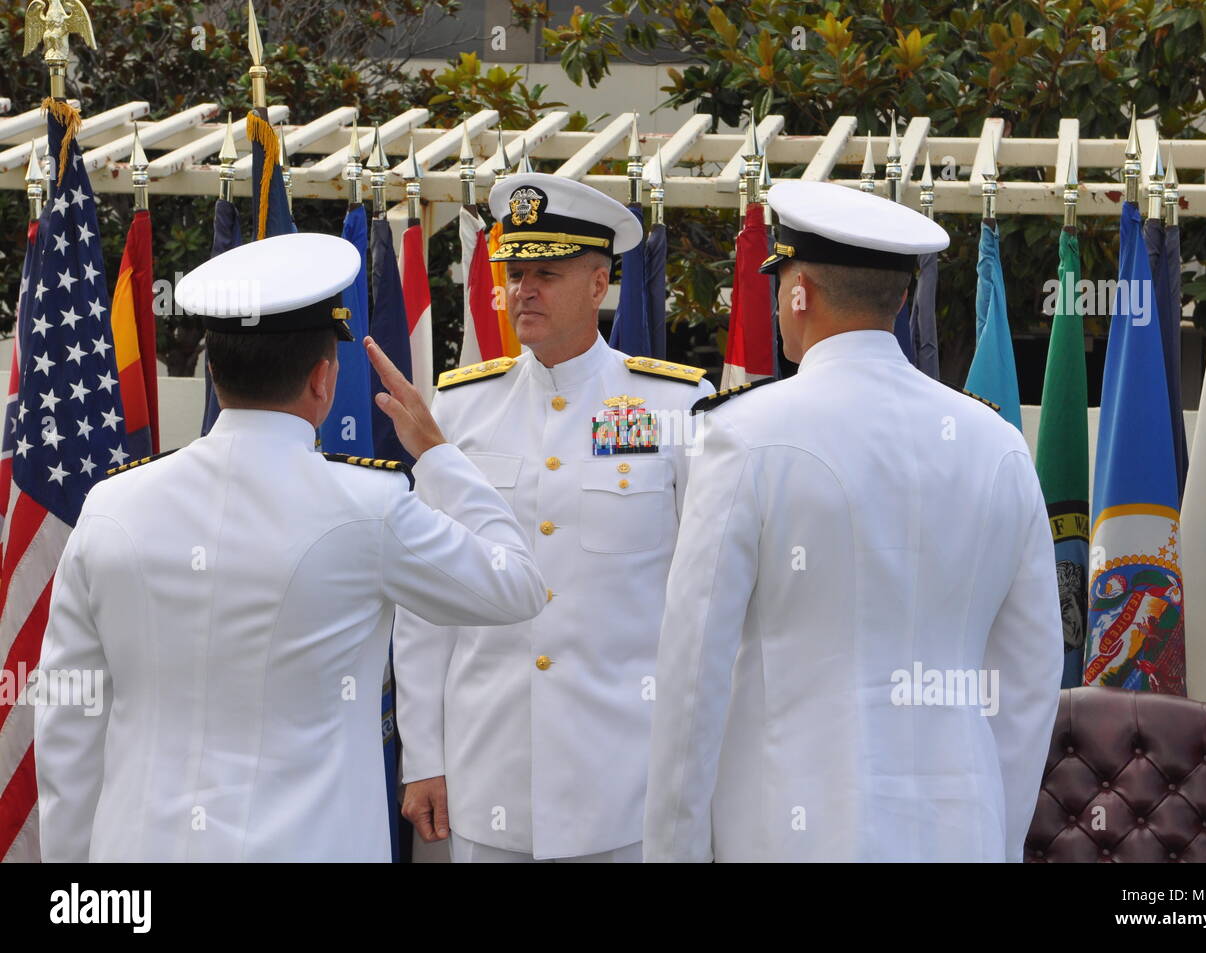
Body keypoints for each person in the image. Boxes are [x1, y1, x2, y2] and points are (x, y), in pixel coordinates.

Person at [33, 232, 547, 862]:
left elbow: (67, 717)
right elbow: (517, 584)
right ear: (323, 379)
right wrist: (438, 456)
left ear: (213, 372)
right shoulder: (370, 506)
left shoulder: (111, 507)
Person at [643, 181, 1063, 862]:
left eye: (779, 282)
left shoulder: (743, 436)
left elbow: (693, 679)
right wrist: (995, 829)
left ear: (798, 287)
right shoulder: (996, 444)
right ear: (901, 297)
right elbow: (1030, 677)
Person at [394, 172, 714, 862]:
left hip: (625, 779)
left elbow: (708, 597)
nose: (522, 289)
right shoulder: (458, 411)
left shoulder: (675, 407)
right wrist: (423, 751)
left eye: (546, 272)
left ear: (600, 285)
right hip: (486, 772)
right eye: (514, 270)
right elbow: (425, 597)